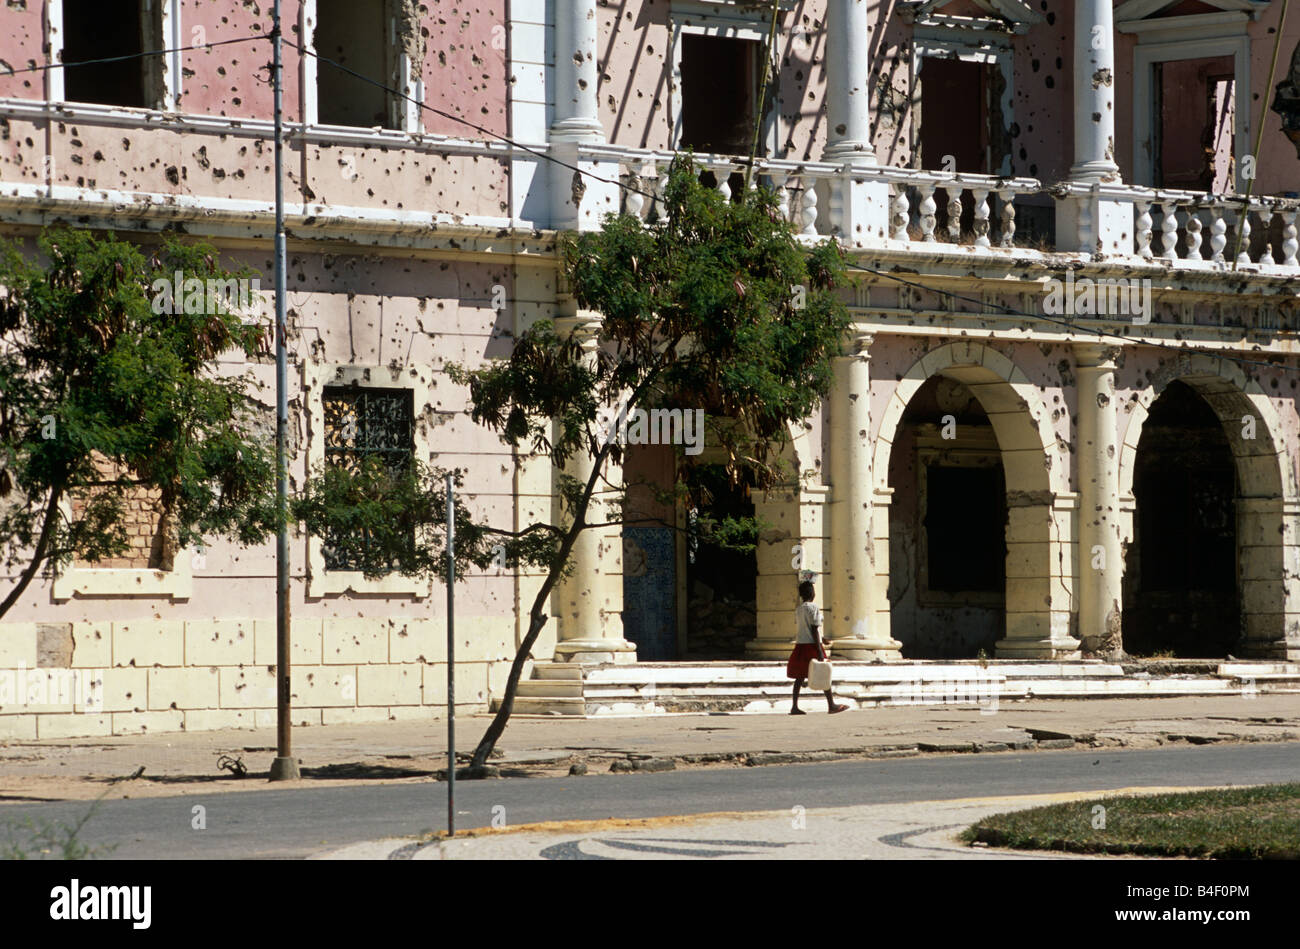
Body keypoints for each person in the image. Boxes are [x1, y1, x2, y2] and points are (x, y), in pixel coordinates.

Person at [786, 579, 849, 715]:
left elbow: (806, 628)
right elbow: (814, 629)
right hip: (812, 646)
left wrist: (822, 638)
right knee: (824, 673)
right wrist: (820, 650)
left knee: (800, 677)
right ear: (812, 593)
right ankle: (831, 705)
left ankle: (794, 706)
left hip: (800, 645)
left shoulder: (799, 609)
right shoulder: (813, 607)